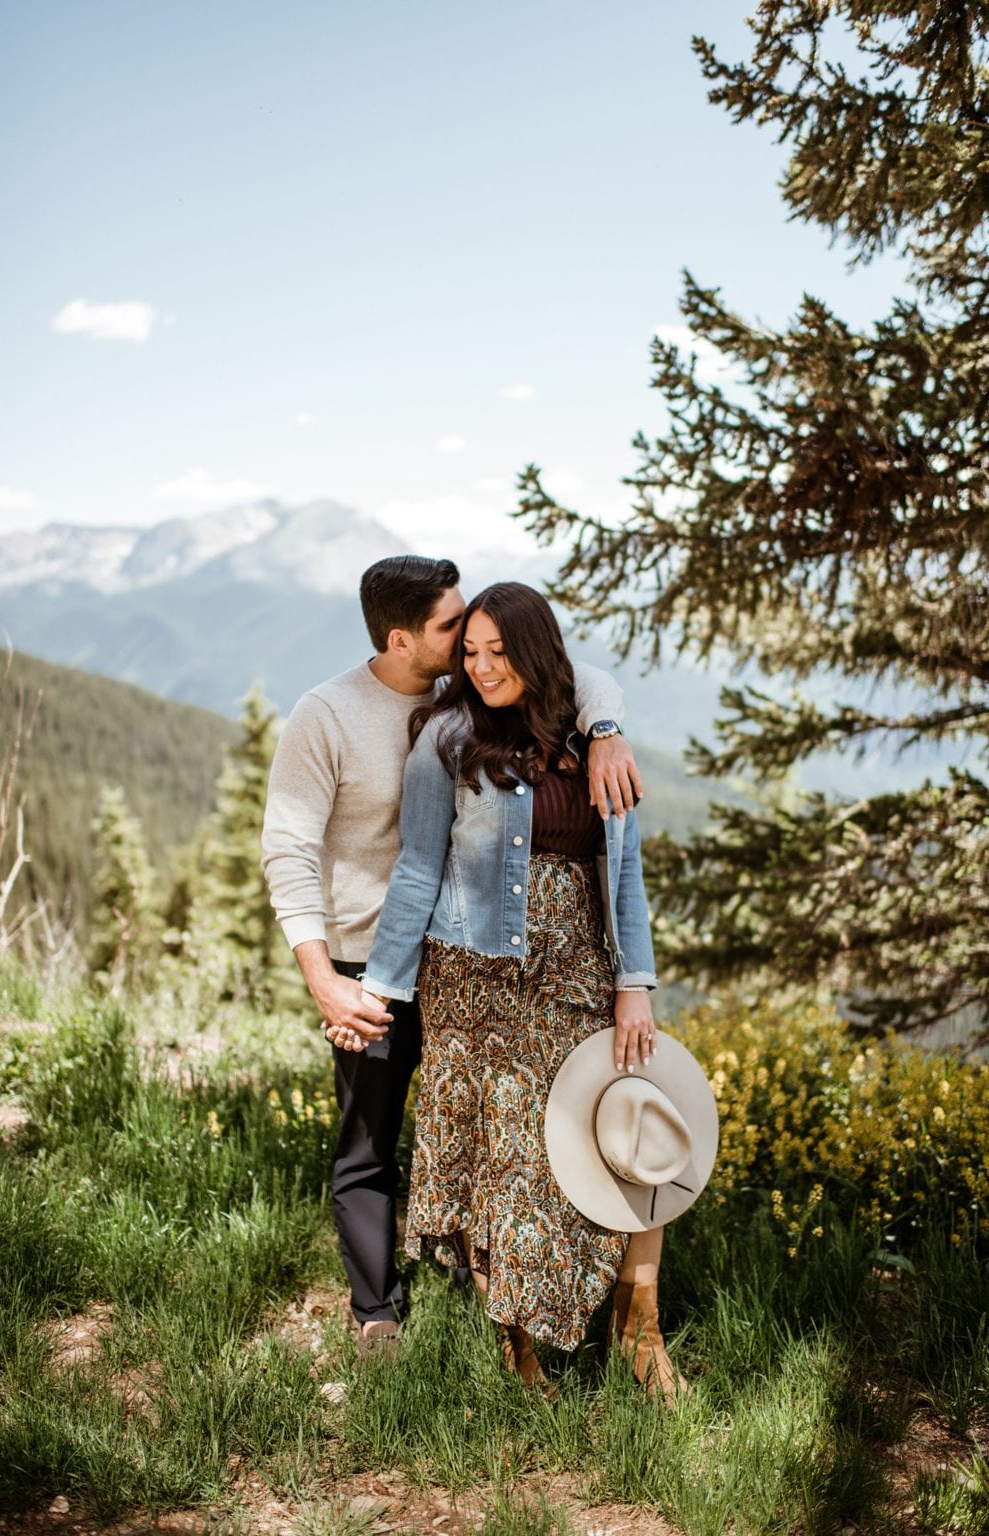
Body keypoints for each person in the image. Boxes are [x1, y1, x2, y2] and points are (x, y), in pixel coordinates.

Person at [261, 557, 643, 1354]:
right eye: (454, 633)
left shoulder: (470, 695)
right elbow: (288, 851)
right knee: (371, 1140)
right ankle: (377, 1315)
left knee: (484, 1132)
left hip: (455, 958)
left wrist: (604, 731)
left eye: (481, 636)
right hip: (370, 960)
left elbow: (579, 674)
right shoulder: (327, 715)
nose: (472, 650)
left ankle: (517, 1307)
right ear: (404, 640)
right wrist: (323, 978)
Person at [358, 581, 683, 1399]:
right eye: (469, 652)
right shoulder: (447, 738)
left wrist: (634, 983)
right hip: (477, 979)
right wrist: (385, 991)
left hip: (579, 972)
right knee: (506, 1155)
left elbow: (626, 874)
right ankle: (515, 1335)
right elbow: (416, 871)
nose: (482, 667)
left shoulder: (592, 740)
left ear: (535, 651)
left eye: (499, 652)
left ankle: (636, 1325)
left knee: (614, 1129)